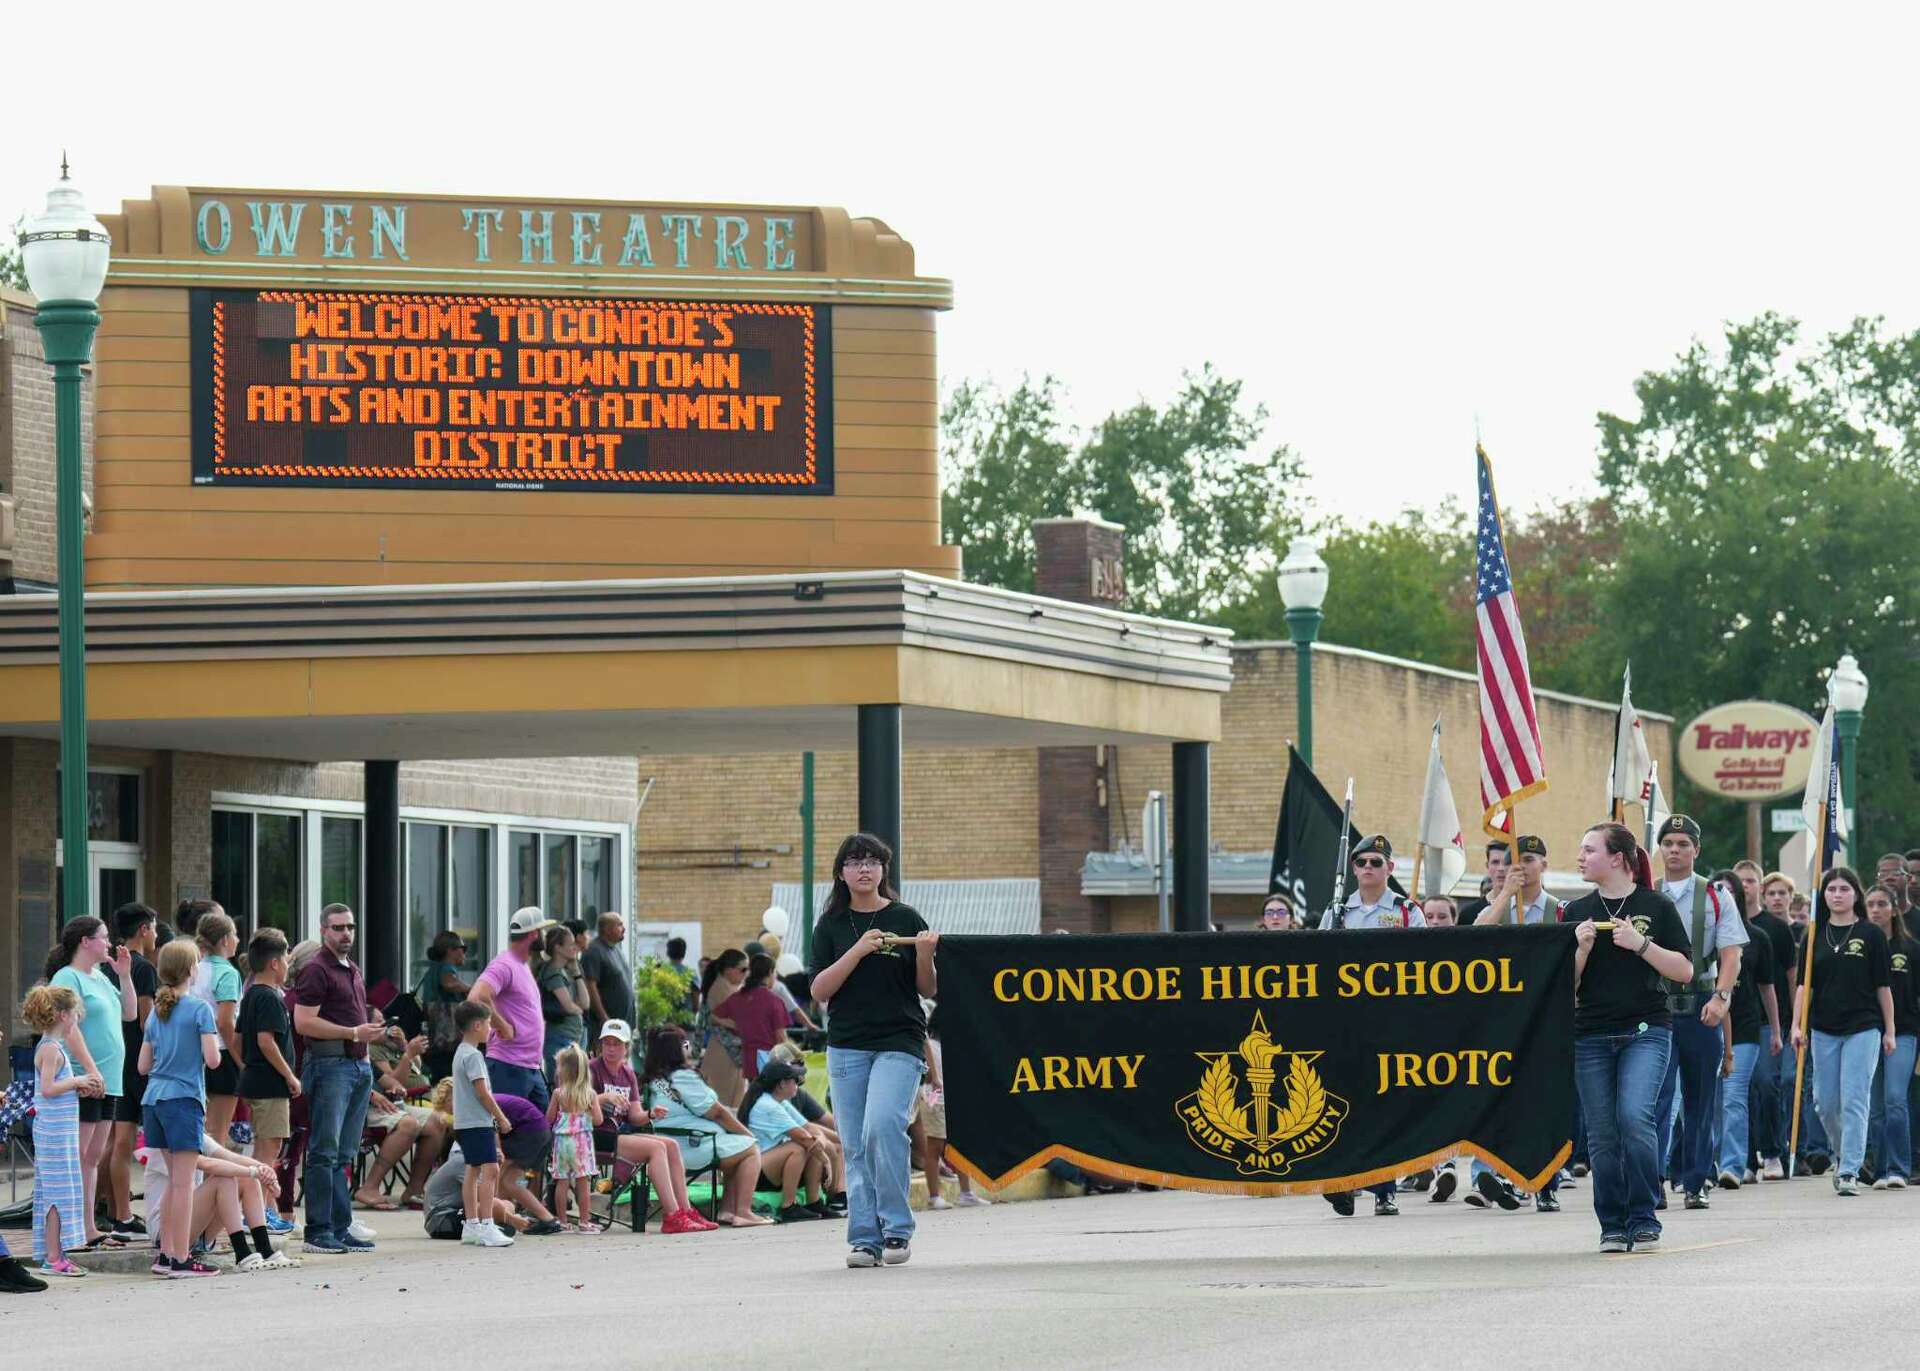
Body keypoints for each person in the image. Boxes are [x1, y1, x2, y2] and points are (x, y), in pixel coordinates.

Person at [808, 831, 939, 1266]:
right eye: (855, 862)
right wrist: (859, 951)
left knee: (882, 1126)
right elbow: (821, 989)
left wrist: (924, 953)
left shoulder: (905, 916)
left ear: (884, 870)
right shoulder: (830, 925)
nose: (864, 869)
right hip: (847, 1046)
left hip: (899, 1041)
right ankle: (865, 1238)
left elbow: (927, 987)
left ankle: (897, 1230)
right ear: (841, 873)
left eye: (873, 862)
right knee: (856, 1143)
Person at [1566, 821, 1696, 1253]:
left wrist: (1641, 944)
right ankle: (1612, 1223)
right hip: (1590, 1035)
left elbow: (1684, 970)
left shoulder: (1655, 906)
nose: (1581, 857)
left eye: (1589, 850)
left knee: (1635, 1118)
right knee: (1602, 1134)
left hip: (1645, 1029)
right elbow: (1562, 989)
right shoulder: (1574, 911)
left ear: (1617, 859)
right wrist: (1580, 953)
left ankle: (1644, 1217)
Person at [1648, 815, 1747, 1211]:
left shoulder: (1715, 896)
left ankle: (1696, 1180)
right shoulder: (1644, 893)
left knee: (1700, 1099)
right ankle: (1652, 1180)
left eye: (1683, 843)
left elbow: (1731, 953)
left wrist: (1721, 997)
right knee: (1653, 1099)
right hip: (1654, 1008)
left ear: (1696, 850)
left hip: (1700, 1004)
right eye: (1668, 843)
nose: (1675, 850)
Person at [1323, 835, 1421, 1218]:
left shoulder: (1406, 911)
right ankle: (1343, 1184)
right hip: (1346, 1021)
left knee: (1383, 1107)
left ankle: (1385, 1189)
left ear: (1390, 869)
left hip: (1390, 1019)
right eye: (1361, 862)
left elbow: (1425, 964)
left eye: (1376, 862)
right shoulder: (1336, 913)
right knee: (1343, 1104)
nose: (1367, 868)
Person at [1791, 867, 1895, 1196]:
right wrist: (1796, 1025)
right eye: (1831, 889)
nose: (1837, 894)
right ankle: (1842, 1153)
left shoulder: (1871, 934)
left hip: (1864, 1026)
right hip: (1823, 1028)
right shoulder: (1813, 935)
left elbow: (1883, 987)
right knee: (1824, 1102)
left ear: (1855, 894)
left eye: (1844, 889)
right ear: (1824, 896)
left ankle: (1849, 1168)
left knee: (1854, 1098)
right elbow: (1803, 988)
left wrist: (1890, 1030)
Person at [292, 902, 383, 1255]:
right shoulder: (316, 970)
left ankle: (340, 1227)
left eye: (350, 927)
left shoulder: (352, 968)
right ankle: (318, 1230)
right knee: (324, 1152)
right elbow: (303, 1022)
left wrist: (371, 1036)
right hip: (330, 1067)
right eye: (338, 928)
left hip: (358, 1067)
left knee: (344, 1153)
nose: (346, 934)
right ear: (323, 931)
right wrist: (354, 1032)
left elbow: (354, 1024)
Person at [45, 915, 136, 1253]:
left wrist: (125, 975)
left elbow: (129, 1014)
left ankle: (88, 1226)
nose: (109, 943)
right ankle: (72, 1229)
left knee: (93, 1156)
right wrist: (88, 1070)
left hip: (109, 1078)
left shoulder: (100, 976)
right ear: (85, 941)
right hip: (86, 1078)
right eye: (104, 937)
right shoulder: (67, 977)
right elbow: (69, 1027)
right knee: (80, 1153)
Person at [139, 938, 224, 1277]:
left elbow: (143, 1066)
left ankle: (165, 1255)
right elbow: (213, 1060)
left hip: (154, 1099)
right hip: (184, 1098)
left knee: (175, 1181)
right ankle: (179, 1256)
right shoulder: (200, 1009)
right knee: (184, 1183)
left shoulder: (156, 1013)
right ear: (191, 970)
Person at [588, 1020, 715, 1234]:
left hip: (619, 1134)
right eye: (607, 1043)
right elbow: (577, 1103)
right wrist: (601, 1098)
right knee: (656, 1148)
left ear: (626, 1047)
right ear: (600, 1045)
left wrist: (649, 1114)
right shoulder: (591, 1069)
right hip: (594, 1134)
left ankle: (685, 1210)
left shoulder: (628, 1074)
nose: (611, 1048)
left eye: (616, 1044)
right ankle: (672, 1215)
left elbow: (635, 1116)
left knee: (672, 1145)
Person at [642, 1024, 769, 1227]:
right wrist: (748, 1135)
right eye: (685, 1044)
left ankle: (727, 1211)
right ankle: (743, 1212)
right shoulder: (682, 1077)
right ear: (677, 1050)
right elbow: (718, 1113)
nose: (688, 1048)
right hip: (691, 1148)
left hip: (674, 1146)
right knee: (749, 1148)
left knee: (736, 1146)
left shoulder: (653, 1080)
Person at [23, 985, 96, 1277]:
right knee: (56, 1193)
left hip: (58, 1129)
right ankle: (53, 1257)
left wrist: (78, 1087)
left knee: (58, 1190)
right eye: (76, 1013)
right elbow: (49, 1088)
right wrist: (78, 1080)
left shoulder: (52, 1047)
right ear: (64, 1016)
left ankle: (55, 1252)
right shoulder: (51, 1049)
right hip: (53, 1132)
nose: (77, 1019)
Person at [1714, 869, 1778, 1190]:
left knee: (1733, 1096)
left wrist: (1777, 1031)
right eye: (1718, 891)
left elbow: (1767, 988)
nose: (1724, 896)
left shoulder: (1757, 938)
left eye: (1730, 891)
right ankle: (1707, 1161)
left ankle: (1732, 1165)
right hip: (1708, 1024)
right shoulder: (1701, 936)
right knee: (1709, 1101)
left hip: (1747, 1028)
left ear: (1739, 897)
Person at [101, 902, 159, 1242]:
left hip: (114, 1059)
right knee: (125, 1143)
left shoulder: (108, 967)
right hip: (138, 1063)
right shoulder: (143, 969)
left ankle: (111, 1209)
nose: (154, 935)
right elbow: (146, 1021)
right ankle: (123, 1214)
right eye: (152, 928)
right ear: (143, 929)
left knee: (111, 1141)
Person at [237, 929, 301, 1216]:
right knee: (268, 1151)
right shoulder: (270, 998)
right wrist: (289, 1075)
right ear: (274, 963)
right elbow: (266, 1041)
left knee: (264, 1148)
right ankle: (258, 1214)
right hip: (270, 1085)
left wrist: (248, 1065)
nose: (288, 965)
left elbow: (238, 1041)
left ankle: (264, 1210)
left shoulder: (251, 993)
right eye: (286, 959)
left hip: (255, 1080)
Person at [469, 905, 554, 1111]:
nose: (543, 935)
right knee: (509, 1129)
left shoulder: (521, 964)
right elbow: (477, 996)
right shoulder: (505, 964)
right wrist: (502, 1026)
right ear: (533, 934)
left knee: (542, 1130)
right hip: (509, 1066)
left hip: (529, 1067)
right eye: (541, 931)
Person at [450, 1000, 517, 1247]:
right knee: (492, 1170)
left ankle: (472, 1224)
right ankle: (487, 1224)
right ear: (477, 1025)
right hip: (477, 1122)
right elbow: (483, 1093)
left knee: (473, 1170)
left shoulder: (460, 1053)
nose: (491, 1028)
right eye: (489, 1023)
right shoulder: (474, 1055)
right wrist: (500, 1116)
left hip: (464, 1122)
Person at [358, 1021, 445, 1211]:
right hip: (364, 1107)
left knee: (438, 1120)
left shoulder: (387, 1048)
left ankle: (414, 1189)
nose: (386, 1028)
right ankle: (369, 1187)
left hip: (394, 1102)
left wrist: (396, 1085)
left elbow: (390, 1079)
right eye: (379, 1023)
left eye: (386, 1023)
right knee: (408, 1124)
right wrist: (408, 1054)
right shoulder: (367, 1049)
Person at [1865, 883, 1918, 1188]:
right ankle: (1880, 1169)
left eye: (1882, 904)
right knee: (1876, 1106)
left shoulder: (1910, 950)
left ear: (1894, 909)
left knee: (1896, 1098)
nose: (1875, 910)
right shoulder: (1863, 947)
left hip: (1906, 1032)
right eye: (1870, 904)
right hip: (1869, 1031)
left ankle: (1900, 1167)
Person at [1750, 870, 1799, 1178]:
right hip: (1738, 1018)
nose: (1744, 886)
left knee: (1771, 1084)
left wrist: (1795, 1019)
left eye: (1750, 880)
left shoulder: (1777, 929)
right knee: (1743, 1090)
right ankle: (1741, 1158)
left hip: (1772, 1019)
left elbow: (1793, 977)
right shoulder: (1725, 923)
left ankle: (1772, 1153)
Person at [741, 1059, 832, 1222]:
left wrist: (820, 1139)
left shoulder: (780, 1100)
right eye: (794, 1080)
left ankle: (814, 1202)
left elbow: (810, 1128)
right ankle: (788, 1206)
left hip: (769, 1164)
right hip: (757, 1173)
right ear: (782, 1084)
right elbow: (803, 1136)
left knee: (812, 1146)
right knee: (798, 1147)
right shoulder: (768, 1105)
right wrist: (826, 1161)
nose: (798, 1084)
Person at [188, 909, 244, 1146]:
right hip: (221, 1053)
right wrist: (240, 1059)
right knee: (217, 1135)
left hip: (193, 1051)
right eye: (235, 935)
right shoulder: (227, 973)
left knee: (199, 1129)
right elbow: (225, 1021)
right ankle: (213, 1183)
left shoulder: (194, 969)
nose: (238, 940)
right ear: (224, 940)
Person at [917, 1012, 980, 1210]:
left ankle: (966, 1192)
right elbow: (927, 1073)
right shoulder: (929, 1044)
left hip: (947, 1098)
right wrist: (934, 1079)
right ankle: (934, 1196)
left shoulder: (944, 1045)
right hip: (935, 1099)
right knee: (934, 1147)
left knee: (959, 1145)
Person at [547, 1044, 606, 1232]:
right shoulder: (590, 1094)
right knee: (583, 1182)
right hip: (582, 1144)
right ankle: (583, 1221)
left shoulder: (559, 1094)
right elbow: (598, 1120)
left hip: (562, 1143)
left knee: (562, 1182)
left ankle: (562, 1221)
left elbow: (548, 1119)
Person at [714, 952, 798, 1077]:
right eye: (775, 972)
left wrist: (735, 1025)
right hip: (770, 1063)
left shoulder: (737, 998)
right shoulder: (774, 1001)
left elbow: (714, 1016)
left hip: (748, 1061)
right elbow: (781, 1039)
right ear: (770, 972)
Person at [414, 930, 472, 1083]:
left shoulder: (433, 969)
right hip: (447, 1040)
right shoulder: (447, 968)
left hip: (434, 1040)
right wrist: (472, 989)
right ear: (450, 951)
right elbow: (449, 983)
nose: (465, 953)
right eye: (463, 949)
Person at [698, 948, 750, 1107]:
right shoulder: (721, 989)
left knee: (729, 1103)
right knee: (726, 1105)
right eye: (743, 969)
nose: (746, 974)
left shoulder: (727, 987)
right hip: (725, 1055)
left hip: (725, 1053)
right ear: (728, 970)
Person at [538, 923, 588, 1079]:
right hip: (559, 1038)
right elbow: (569, 1006)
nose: (575, 947)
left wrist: (577, 973)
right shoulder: (553, 973)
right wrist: (577, 1008)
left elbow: (585, 1003)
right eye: (571, 944)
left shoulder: (567, 971)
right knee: (563, 1087)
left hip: (573, 1037)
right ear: (558, 948)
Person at [580, 912, 636, 1042]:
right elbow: (590, 987)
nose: (624, 929)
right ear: (606, 929)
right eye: (619, 925)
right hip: (607, 1029)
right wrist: (604, 1018)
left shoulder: (616, 950)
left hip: (623, 1027)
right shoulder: (594, 951)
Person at [1457, 840, 1512, 924]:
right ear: (1487, 866)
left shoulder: (1526, 908)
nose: (1501, 868)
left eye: (1507, 862)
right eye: (1495, 862)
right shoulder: (1469, 914)